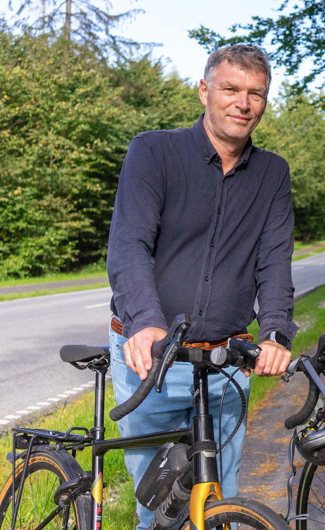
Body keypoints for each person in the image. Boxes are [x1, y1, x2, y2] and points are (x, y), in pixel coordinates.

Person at [106, 45, 296, 529]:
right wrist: (146, 323)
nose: (243, 103)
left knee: (216, 504)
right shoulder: (153, 151)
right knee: (159, 510)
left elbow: (275, 262)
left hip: (224, 365)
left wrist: (276, 332)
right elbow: (129, 245)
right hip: (153, 360)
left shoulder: (273, 172)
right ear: (204, 90)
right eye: (230, 89)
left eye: (256, 93)